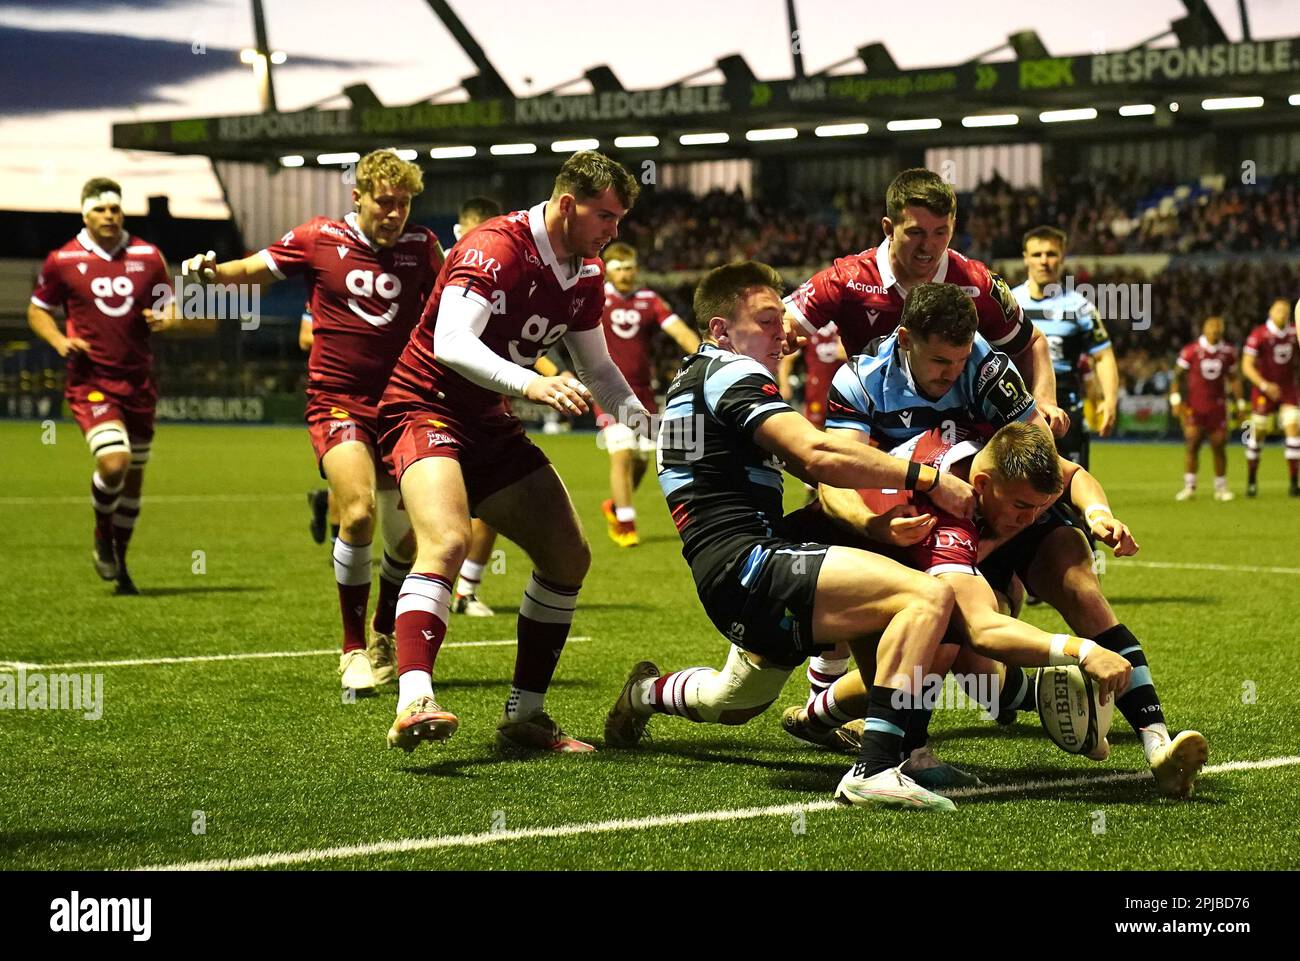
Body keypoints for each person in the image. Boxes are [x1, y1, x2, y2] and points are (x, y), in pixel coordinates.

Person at [603, 261, 978, 811]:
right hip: (751, 562)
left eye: (782, 317)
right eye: (766, 319)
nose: (784, 331)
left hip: (728, 569)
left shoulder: (696, 379)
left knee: (736, 700)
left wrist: (870, 521)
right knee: (927, 594)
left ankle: (643, 693)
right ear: (721, 331)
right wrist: (926, 477)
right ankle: (880, 764)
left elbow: (814, 472)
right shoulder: (732, 374)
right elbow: (817, 454)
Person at [377, 150, 650, 755]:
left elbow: (600, 371)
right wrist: (532, 383)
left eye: (620, 220)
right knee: (446, 541)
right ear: (568, 205)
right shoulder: (496, 247)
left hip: (488, 422)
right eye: (606, 217)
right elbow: (450, 342)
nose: (614, 232)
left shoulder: (584, 273)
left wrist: (655, 430)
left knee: (567, 556)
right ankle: (414, 698)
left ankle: (525, 716)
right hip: (425, 407)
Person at [787, 420, 1209, 798]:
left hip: (869, 567)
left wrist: (1097, 514)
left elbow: (1071, 473)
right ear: (983, 485)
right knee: (738, 699)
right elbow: (983, 628)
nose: (1030, 520)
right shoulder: (948, 518)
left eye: (1041, 507)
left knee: (956, 645)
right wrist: (1081, 651)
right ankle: (856, 734)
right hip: (803, 573)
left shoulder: (984, 450)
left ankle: (1150, 740)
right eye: (1022, 507)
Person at [183, 149, 441, 693]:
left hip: (402, 404)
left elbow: (454, 306)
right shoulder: (317, 237)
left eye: (403, 203)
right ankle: (351, 650)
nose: (394, 213)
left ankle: (382, 631)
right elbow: (251, 269)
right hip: (338, 400)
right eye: (384, 202)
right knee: (358, 511)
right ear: (359, 197)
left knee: (407, 540)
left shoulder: (423, 247)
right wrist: (210, 272)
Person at [784, 168, 1067, 437]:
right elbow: (778, 324)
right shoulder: (846, 279)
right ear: (888, 227)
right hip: (874, 433)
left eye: (940, 232)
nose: (928, 245)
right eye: (916, 232)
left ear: (954, 228)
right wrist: (782, 334)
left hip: (959, 438)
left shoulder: (976, 283)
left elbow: (1031, 342)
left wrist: (1044, 398)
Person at [28, 176, 178, 595]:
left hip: (139, 382)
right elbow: (38, 311)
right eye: (100, 209)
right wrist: (59, 340)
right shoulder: (63, 260)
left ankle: (120, 559)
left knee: (133, 481)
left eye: (114, 208)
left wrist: (165, 317)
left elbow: (168, 304)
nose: (109, 216)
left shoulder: (148, 257)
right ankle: (100, 532)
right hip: (91, 382)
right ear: (85, 213)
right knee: (115, 462)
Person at [595, 241, 700, 547]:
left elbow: (678, 330)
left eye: (630, 268)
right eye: (620, 269)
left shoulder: (649, 299)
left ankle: (615, 507)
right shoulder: (597, 298)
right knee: (623, 454)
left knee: (643, 458)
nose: (626, 274)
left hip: (642, 394)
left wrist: (703, 357)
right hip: (607, 390)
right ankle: (626, 524)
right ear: (608, 272)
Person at [1012, 226, 1119, 467]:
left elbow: (1103, 356)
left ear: (1062, 257)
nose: (1044, 261)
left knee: (1070, 487)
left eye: (1051, 254)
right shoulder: (1009, 302)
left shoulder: (1081, 307)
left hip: (1066, 406)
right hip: (1017, 404)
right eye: (1037, 254)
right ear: (1025, 258)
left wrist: (1110, 400)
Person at [1171, 316, 1244, 501]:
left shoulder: (1228, 352)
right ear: (1204, 328)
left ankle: (1221, 488)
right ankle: (1189, 487)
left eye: (1219, 327)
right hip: (1195, 406)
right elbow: (1178, 376)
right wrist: (1175, 399)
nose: (1215, 330)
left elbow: (1234, 379)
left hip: (1217, 407)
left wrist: (1240, 402)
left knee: (1219, 446)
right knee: (1192, 444)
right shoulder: (1191, 351)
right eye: (1212, 326)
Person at [1241, 297, 1300, 497]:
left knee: (1293, 430)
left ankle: (1294, 483)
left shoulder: (1294, 332)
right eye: (1278, 310)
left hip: (1288, 388)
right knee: (1257, 435)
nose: (1283, 313)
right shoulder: (1259, 334)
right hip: (1263, 391)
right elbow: (1246, 366)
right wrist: (1265, 385)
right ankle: (1251, 479)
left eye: (1286, 310)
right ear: (1270, 312)